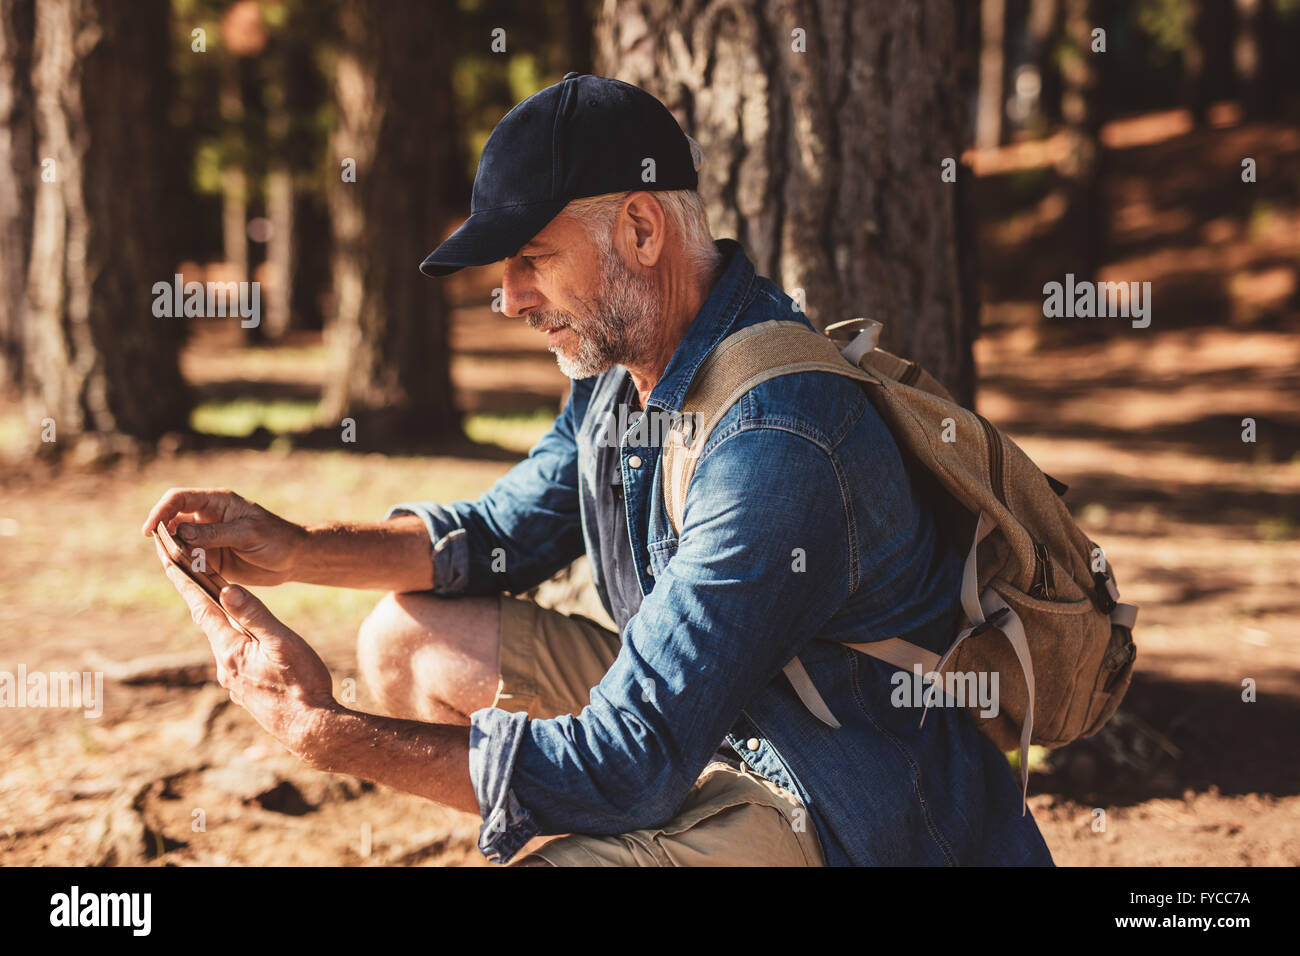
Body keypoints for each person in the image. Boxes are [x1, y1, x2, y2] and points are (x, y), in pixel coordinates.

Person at [145, 72, 1053, 867]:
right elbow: (505, 535)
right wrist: (290, 547)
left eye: (532, 259)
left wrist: (320, 728)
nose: (509, 300)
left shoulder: (778, 440)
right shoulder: (626, 371)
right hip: (718, 726)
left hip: (847, 807)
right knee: (407, 640)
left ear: (642, 231)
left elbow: (630, 757)